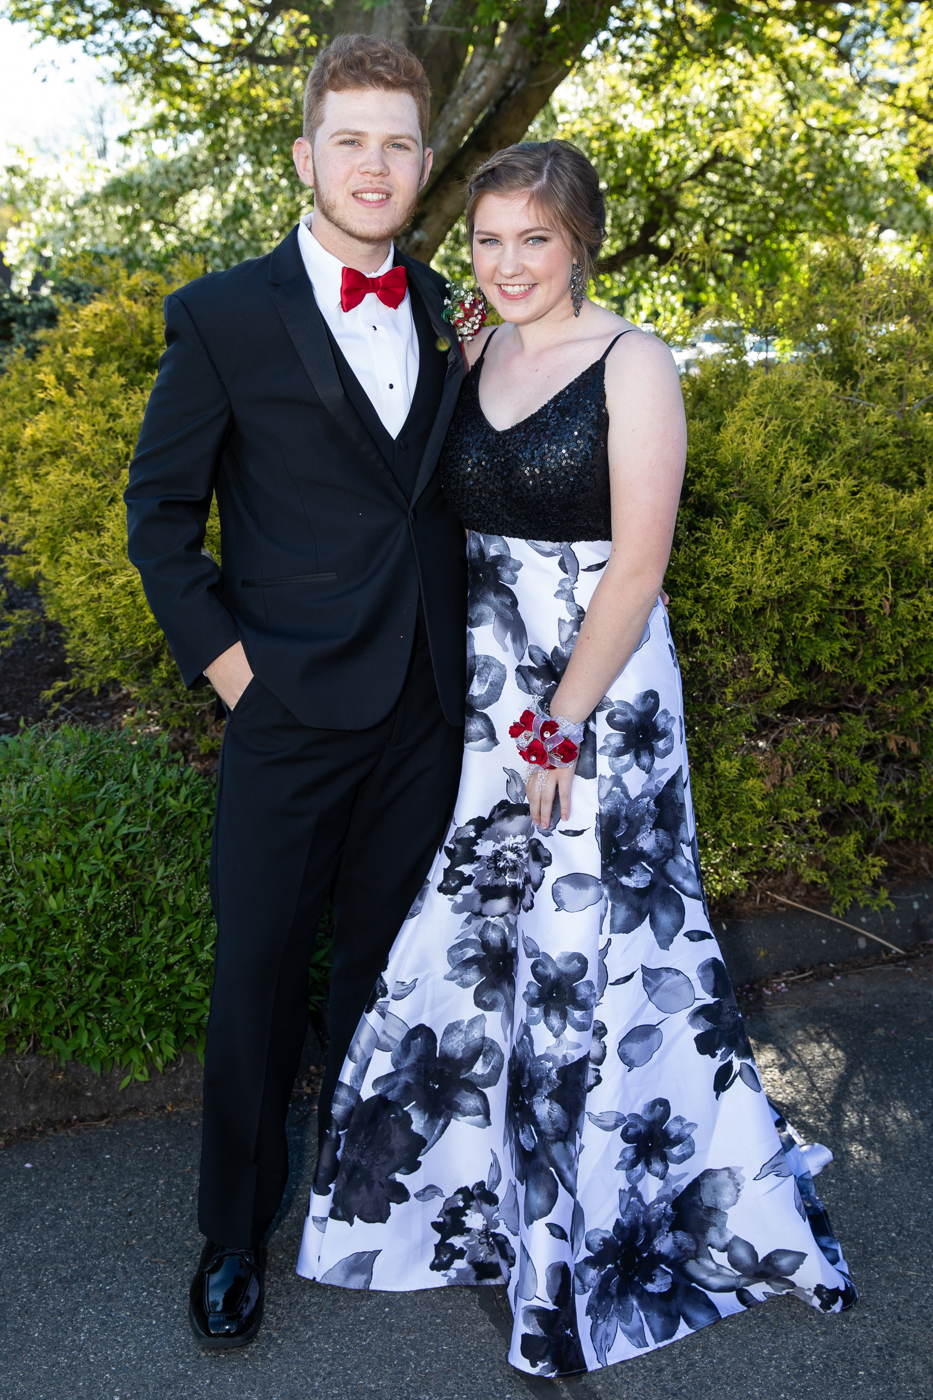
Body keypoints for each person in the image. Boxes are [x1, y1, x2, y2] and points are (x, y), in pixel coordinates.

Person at [297, 139, 857, 1377]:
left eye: (532, 241)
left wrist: (558, 725)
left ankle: (586, 1238)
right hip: (487, 687)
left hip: (594, 694)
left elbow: (640, 567)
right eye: (488, 240)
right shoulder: (475, 347)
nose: (505, 264)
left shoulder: (636, 362)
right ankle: (486, 1207)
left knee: (583, 948)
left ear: (580, 243)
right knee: (478, 941)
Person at [125, 35, 468, 1348]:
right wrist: (230, 671)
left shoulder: (456, 307)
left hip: (424, 709)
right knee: (258, 975)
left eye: (397, 142)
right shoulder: (220, 314)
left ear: (424, 163)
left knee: (384, 971)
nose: (373, 164)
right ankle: (234, 1232)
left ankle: (363, 1190)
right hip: (284, 713)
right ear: (306, 154)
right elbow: (161, 513)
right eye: (350, 139)